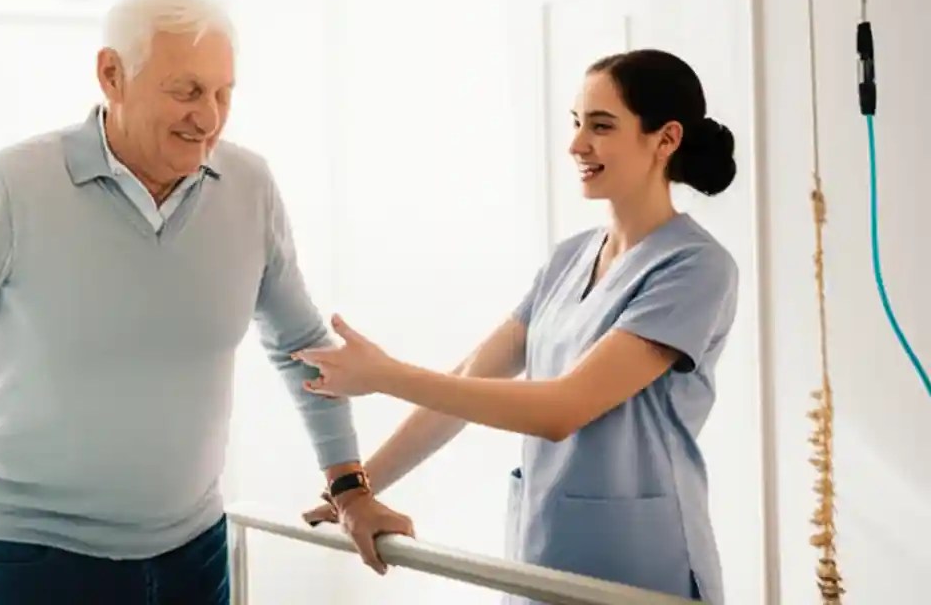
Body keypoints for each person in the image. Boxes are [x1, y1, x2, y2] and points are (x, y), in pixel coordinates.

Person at [0, 0, 413, 605]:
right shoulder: (17, 186)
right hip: (37, 561)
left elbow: (304, 348)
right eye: (186, 90)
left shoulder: (249, 187)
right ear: (112, 75)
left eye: (223, 93)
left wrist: (350, 489)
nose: (208, 117)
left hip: (195, 556)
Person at [295, 49, 739, 604]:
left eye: (601, 126)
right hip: (543, 551)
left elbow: (561, 410)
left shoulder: (695, 266)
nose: (577, 144)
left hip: (643, 562)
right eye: (576, 123)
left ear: (666, 139)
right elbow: (468, 379)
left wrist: (386, 375)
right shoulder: (569, 258)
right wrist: (354, 491)